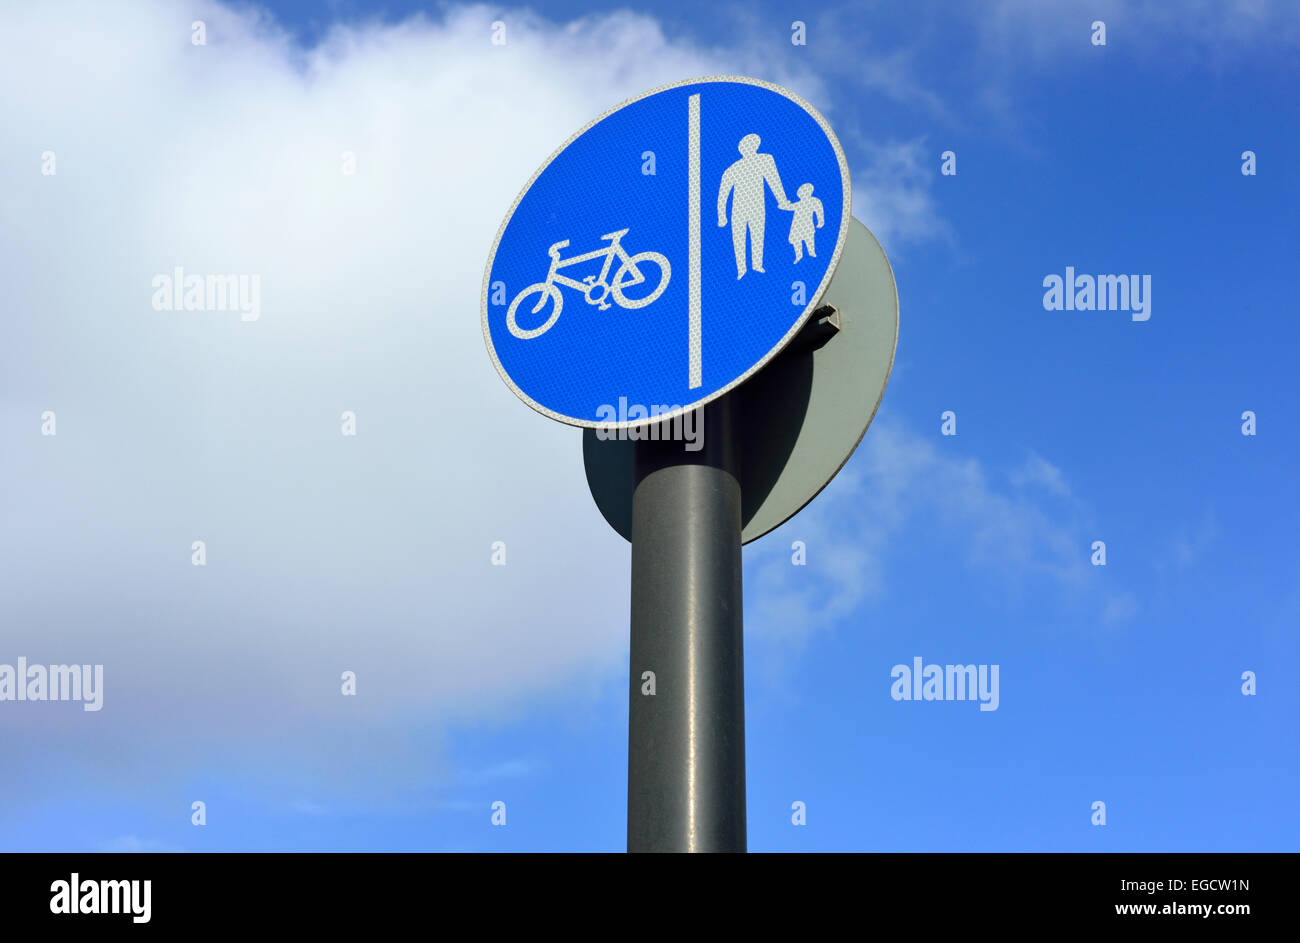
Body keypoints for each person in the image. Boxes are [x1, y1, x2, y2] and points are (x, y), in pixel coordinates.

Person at [717, 133, 792, 279]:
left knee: (757, 235)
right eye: (745, 145)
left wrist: (782, 201)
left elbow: (774, 181)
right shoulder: (733, 168)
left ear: (756, 145)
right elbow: (723, 194)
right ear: (741, 149)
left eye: (752, 144)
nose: (748, 147)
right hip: (738, 208)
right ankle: (741, 269)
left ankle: (757, 265)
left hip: (757, 206)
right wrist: (721, 215)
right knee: (738, 238)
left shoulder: (764, 160)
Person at [787, 183, 823, 263]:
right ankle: (798, 256)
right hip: (796, 225)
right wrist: (783, 205)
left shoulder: (814, 201)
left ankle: (811, 253)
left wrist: (820, 221)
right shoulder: (799, 203)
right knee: (796, 240)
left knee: (809, 238)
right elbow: (790, 207)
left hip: (807, 224)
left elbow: (819, 211)